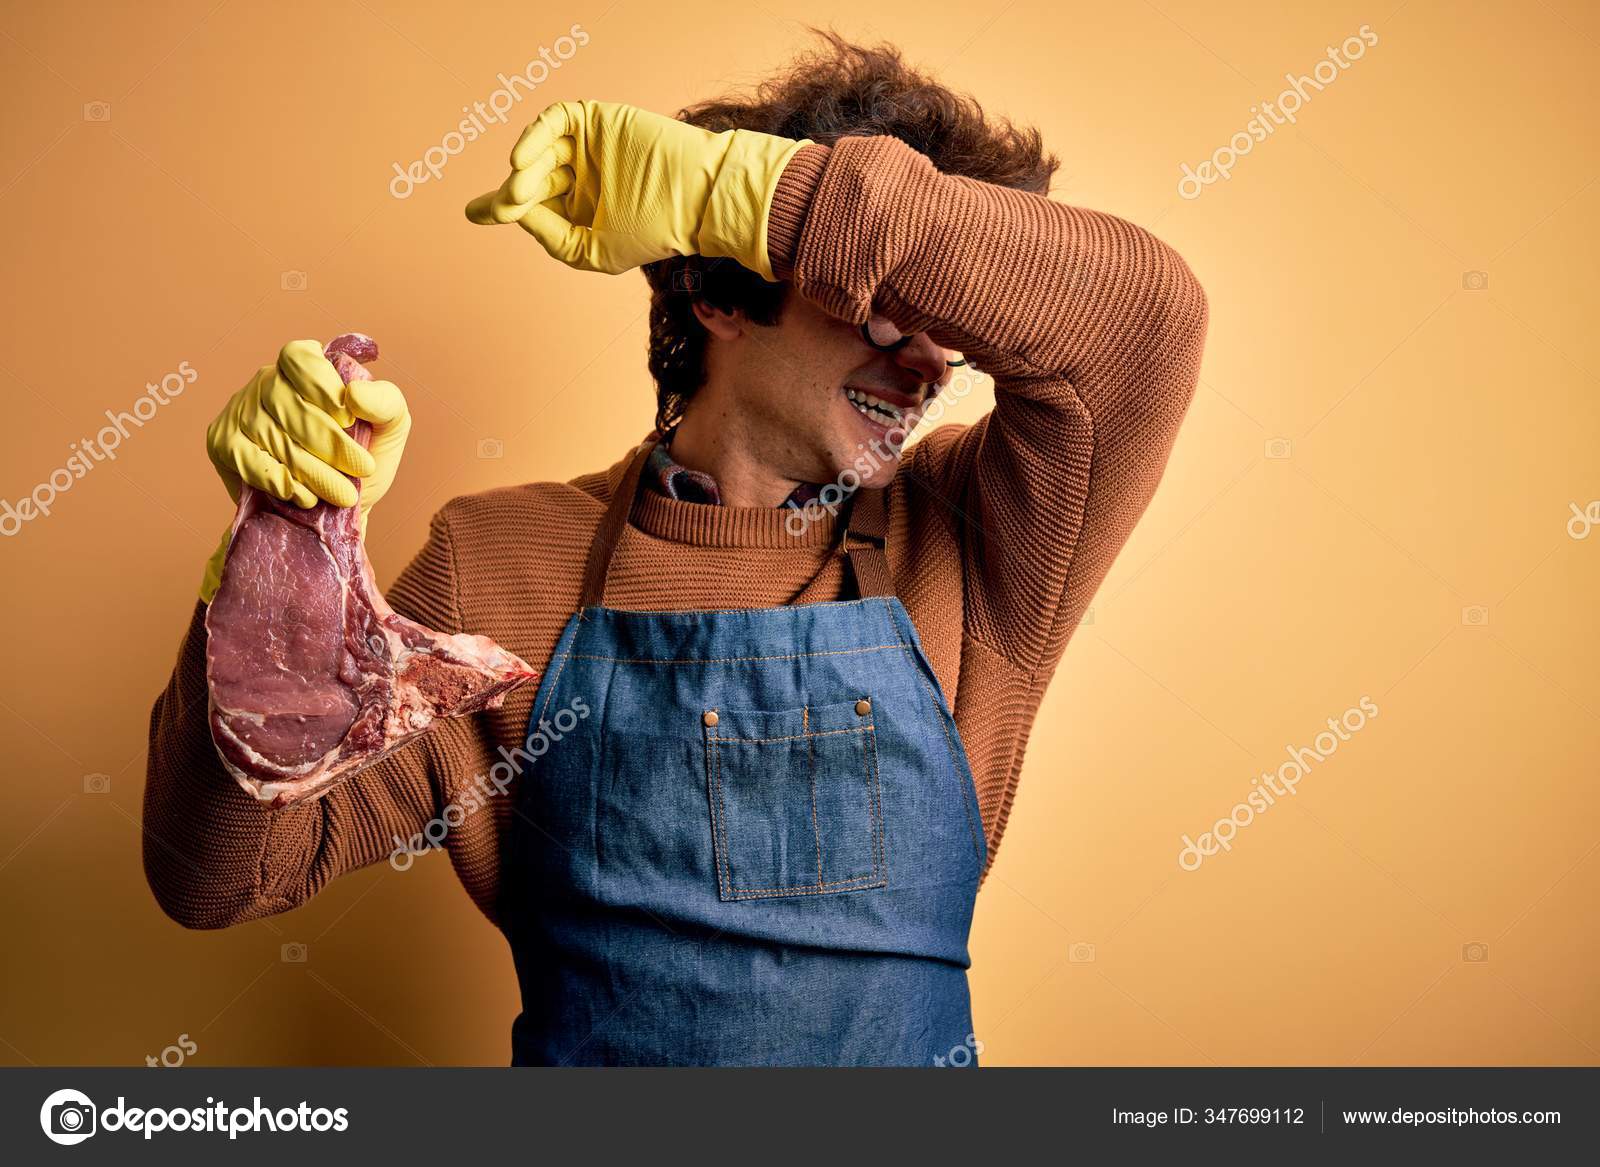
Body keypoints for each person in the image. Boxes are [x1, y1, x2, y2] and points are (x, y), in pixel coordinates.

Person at [144, 33, 1208, 1066]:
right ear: (721, 293)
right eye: (894, 314)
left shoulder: (981, 537)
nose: (931, 365)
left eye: (954, 330)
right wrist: (273, 569)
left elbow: (1144, 321)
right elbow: (221, 881)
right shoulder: (499, 558)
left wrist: (736, 190)